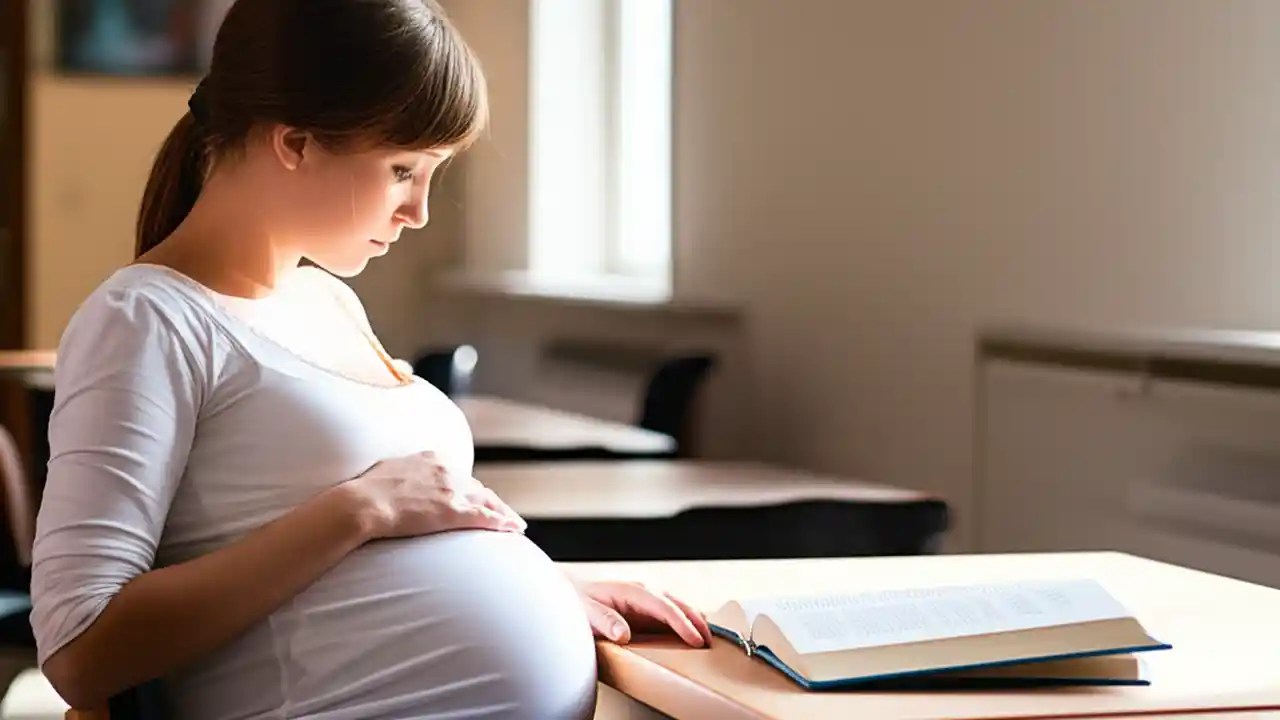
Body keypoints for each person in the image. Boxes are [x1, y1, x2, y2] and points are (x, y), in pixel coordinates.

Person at [28, 2, 712, 717]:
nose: (417, 210)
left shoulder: (324, 300)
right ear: (295, 141)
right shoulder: (147, 320)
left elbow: (358, 573)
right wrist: (360, 509)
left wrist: (548, 585)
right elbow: (81, 648)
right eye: (402, 169)